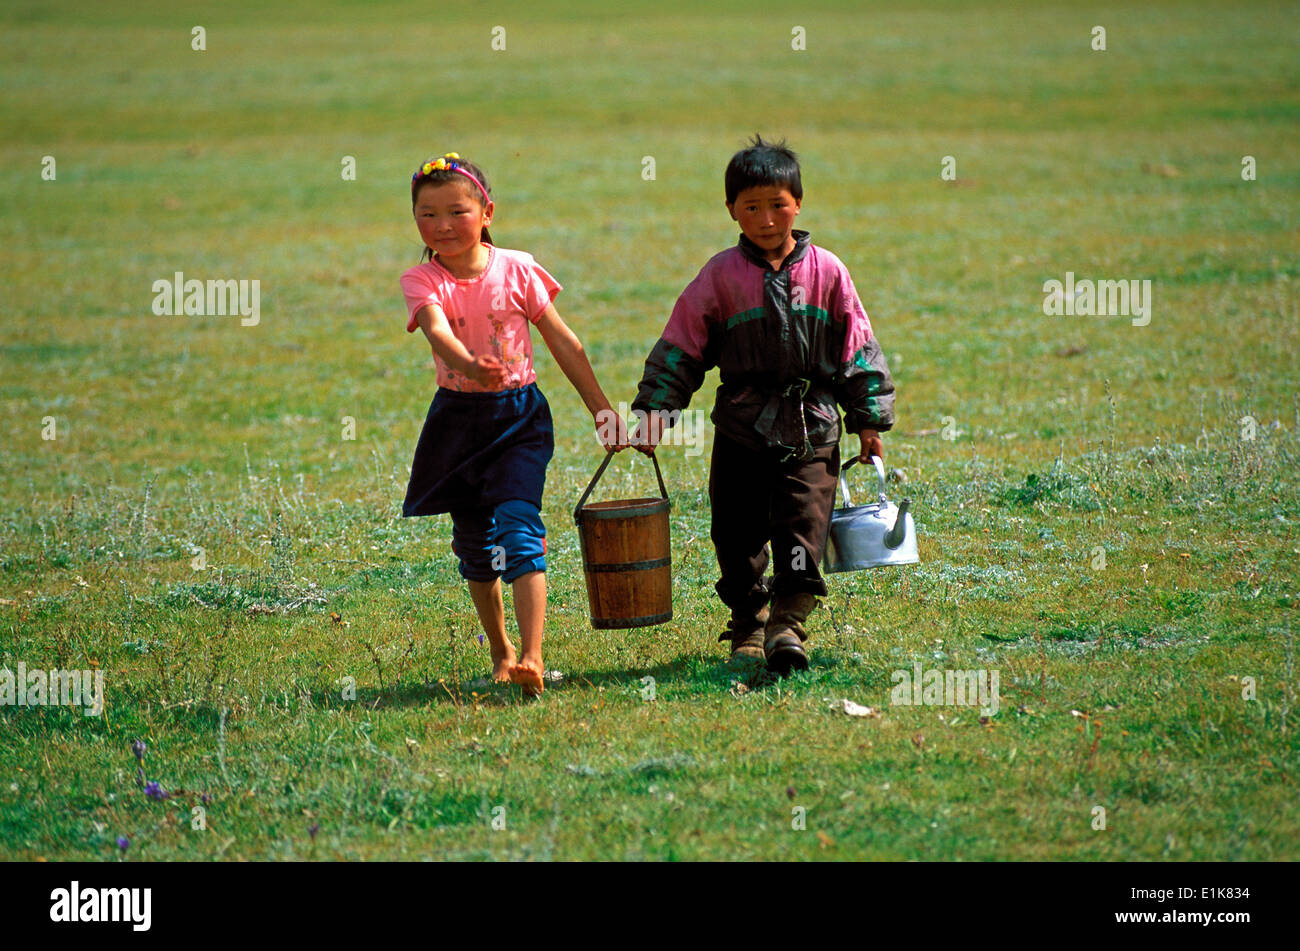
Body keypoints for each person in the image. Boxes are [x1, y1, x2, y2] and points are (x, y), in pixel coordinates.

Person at [629, 135, 895, 675]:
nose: (767, 217)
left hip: (813, 426)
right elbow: (681, 347)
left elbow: (857, 348)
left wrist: (868, 420)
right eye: (751, 206)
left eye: (778, 204)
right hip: (742, 429)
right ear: (731, 210)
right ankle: (748, 622)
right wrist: (655, 413)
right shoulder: (720, 277)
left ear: (798, 203)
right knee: (736, 532)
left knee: (805, 527)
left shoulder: (829, 272)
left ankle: (788, 622)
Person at [400, 153, 627, 696]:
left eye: (457, 211)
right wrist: (465, 362)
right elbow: (435, 330)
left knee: (519, 527)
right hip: (457, 422)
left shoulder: (518, 269)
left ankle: (532, 656)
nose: (443, 226)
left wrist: (602, 410)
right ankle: (500, 651)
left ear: (487, 213)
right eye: (427, 215)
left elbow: (564, 343)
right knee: (475, 544)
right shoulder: (421, 279)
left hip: (519, 419)